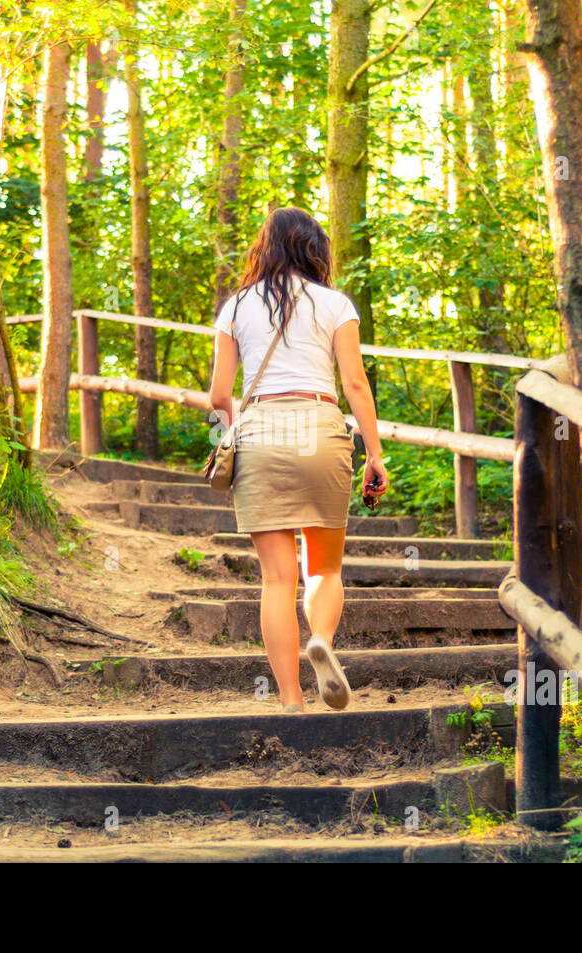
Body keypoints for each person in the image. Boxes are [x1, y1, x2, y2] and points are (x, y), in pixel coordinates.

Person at [208, 207, 389, 713]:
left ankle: (290, 700)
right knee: (324, 569)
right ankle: (323, 641)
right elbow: (354, 383)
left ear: (264, 247)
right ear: (315, 248)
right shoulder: (335, 304)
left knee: (276, 579)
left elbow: (221, 393)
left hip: (262, 431)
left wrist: (233, 428)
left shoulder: (237, 306)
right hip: (320, 428)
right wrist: (373, 454)